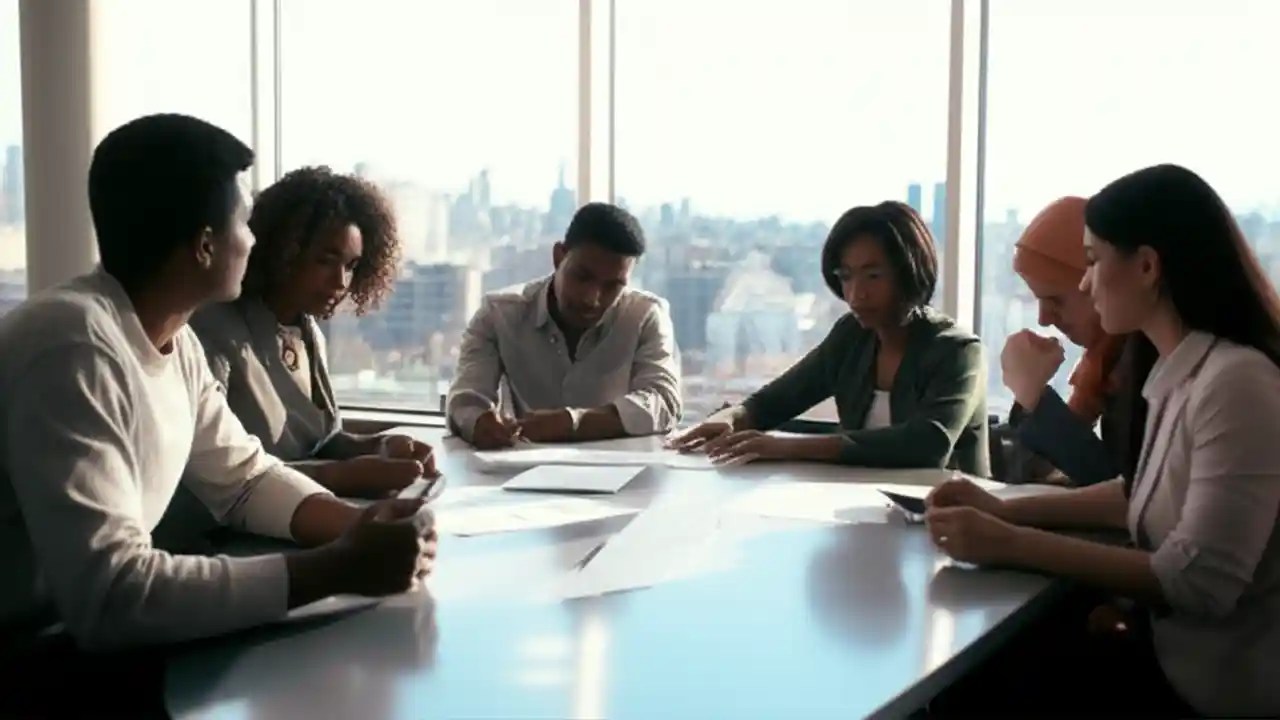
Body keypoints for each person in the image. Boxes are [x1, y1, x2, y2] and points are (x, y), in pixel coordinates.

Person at [0, 115, 436, 659]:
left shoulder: (175, 340)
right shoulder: (72, 346)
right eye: (245, 224)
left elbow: (246, 480)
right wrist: (340, 567)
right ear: (206, 246)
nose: (255, 240)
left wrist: (358, 527)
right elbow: (111, 596)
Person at [926, 164, 1280, 717]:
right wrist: (1005, 512)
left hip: (1212, 689)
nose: (1085, 283)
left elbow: (1196, 582)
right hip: (1173, 659)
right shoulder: (1179, 370)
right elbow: (1135, 491)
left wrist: (1006, 542)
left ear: (1145, 266)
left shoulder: (1236, 381)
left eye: (1092, 261)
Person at [669, 201, 989, 475]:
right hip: (865, 508)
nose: (855, 294)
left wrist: (786, 448)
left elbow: (927, 445)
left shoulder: (958, 351)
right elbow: (777, 400)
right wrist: (730, 418)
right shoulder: (852, 335)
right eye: (846, 277)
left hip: (954, 521)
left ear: (909, 272)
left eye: (873, 276)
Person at [189, 166, 433, 499]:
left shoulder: (308, 332)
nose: (341, 282)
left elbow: (321, 442)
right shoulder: (214, 331)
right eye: (325, 260)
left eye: (350, 266)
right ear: (283, 251)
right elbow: (220, 474)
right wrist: (343, 476)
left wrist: (379, 446)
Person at [446, 202, 681, 449]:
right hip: (519, 471)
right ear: (559, 257)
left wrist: (575, 423)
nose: (592, 298)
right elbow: (465, 399)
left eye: (612, 286)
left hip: (620, 475)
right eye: (582, 277)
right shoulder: (498, 315)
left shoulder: (646, 316)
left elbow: (664, 401)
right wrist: (479, 423)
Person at [998, 196, 1144, 486]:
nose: (1044, 319)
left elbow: (1124, 488)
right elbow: (1030, 473)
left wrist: (1034, 396)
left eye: (1055, 300)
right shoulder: (1105, 361)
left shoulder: (1147, 358)